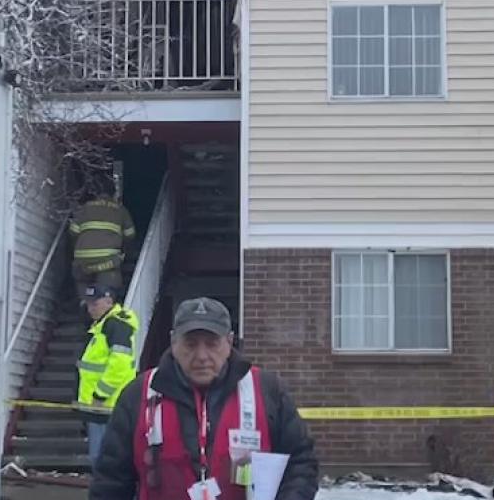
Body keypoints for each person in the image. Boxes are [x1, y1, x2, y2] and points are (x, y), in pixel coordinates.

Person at [90, 297, 319, 500]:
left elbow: (300, 463)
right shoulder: (139, 395)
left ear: (229, 342)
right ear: (173, 342)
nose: (201, 356)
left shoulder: (267, 391)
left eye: (212, 344)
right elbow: (111, 480)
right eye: (190, 344)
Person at [76, 285, 141, 464]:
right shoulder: (103, 325)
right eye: (88, 305)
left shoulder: (115, 325)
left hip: (106, 406)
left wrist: (100, 394)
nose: (91, 309)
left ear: (109, 301)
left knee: (103, 459)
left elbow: (119, 365)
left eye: (95, 304)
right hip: (100, 406)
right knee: (103, 458)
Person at [70, 184, 136, 291]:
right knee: (108, 289)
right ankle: (107, 296)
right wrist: (123, 248)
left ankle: (83, 301)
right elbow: (130, 234)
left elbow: (73, 231)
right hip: (108, 260)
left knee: (82, 286)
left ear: (96, 194)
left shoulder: (85, 208)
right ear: (114, 194)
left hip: (82, 260)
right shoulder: (120, 210)